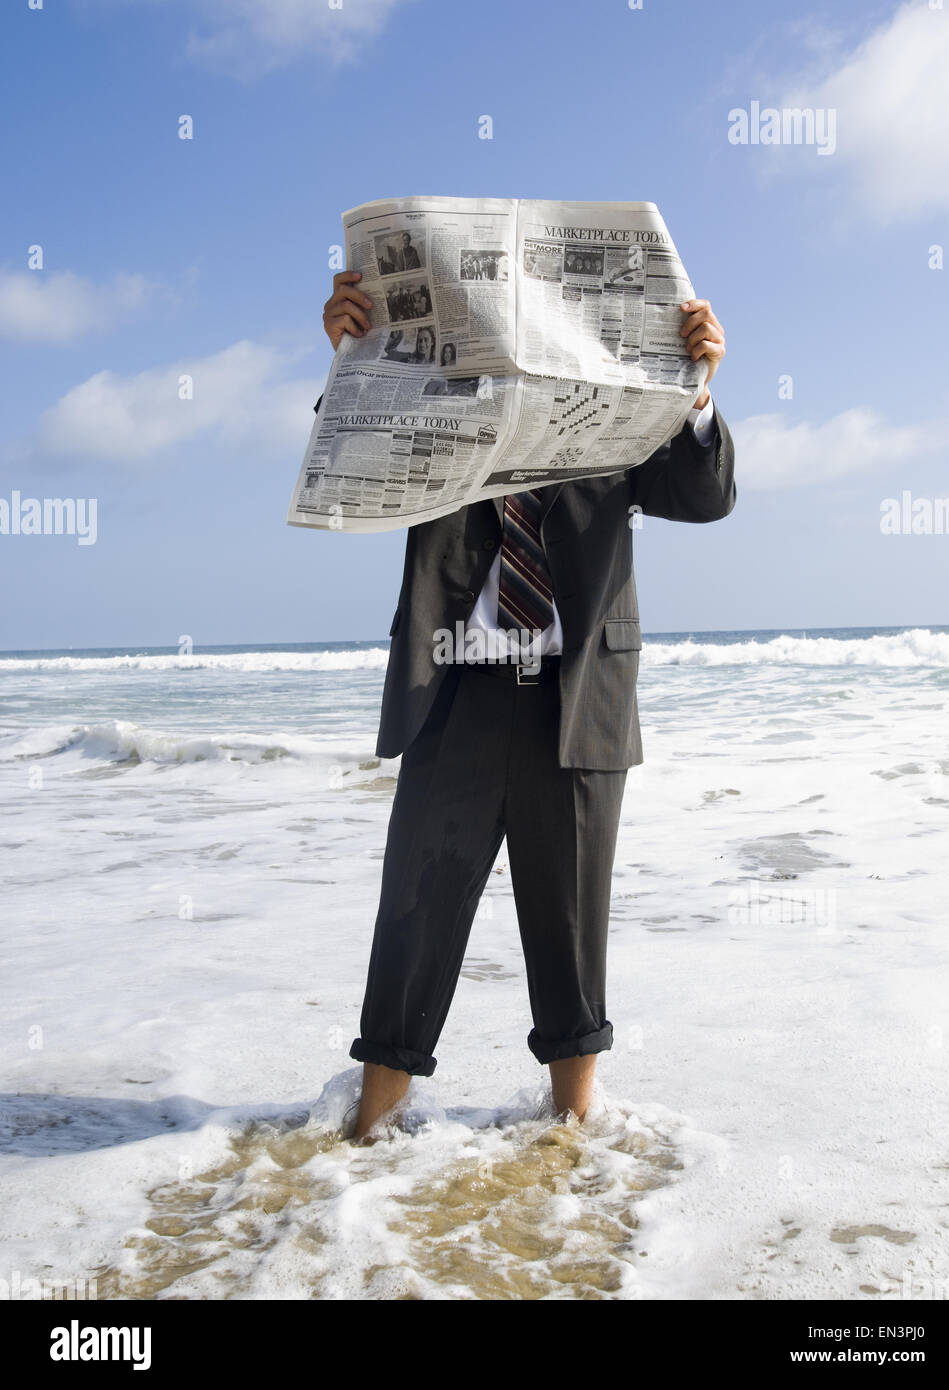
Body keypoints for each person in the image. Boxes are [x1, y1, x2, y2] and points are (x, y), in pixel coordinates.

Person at [319, 268, 735, 1142]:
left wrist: (696, 394)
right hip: (455, 694)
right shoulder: (438, 404)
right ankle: (365, 1139)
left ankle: (573, 1135)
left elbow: (702, 498)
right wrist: (352, 361)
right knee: (413, 919)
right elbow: (351, 484)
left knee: (570, 924)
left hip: (574, 699)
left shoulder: (619, 414)